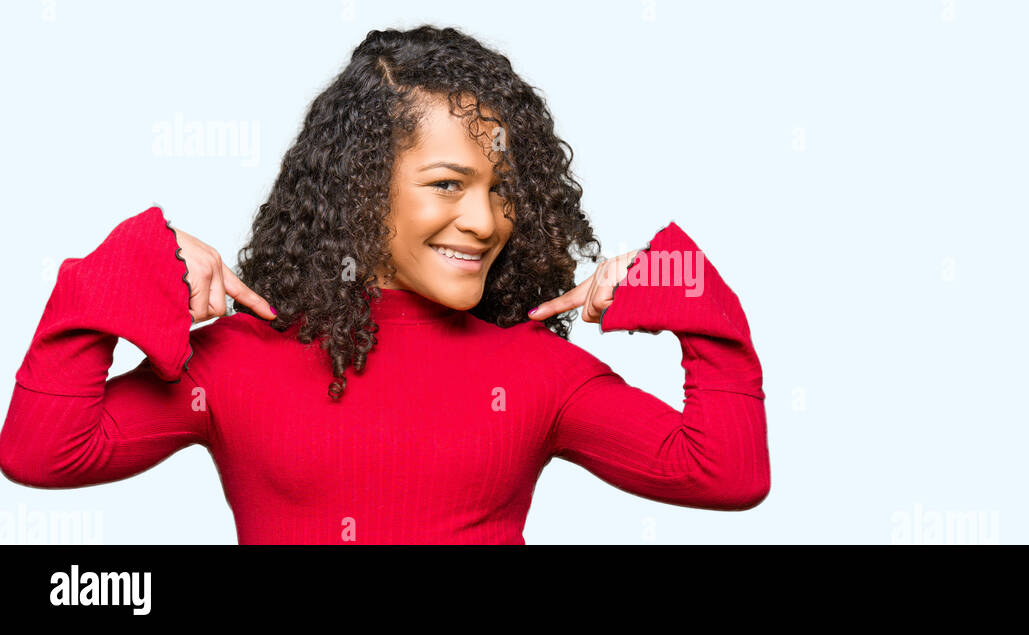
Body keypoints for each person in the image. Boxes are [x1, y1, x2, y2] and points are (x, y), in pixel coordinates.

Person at [0, 25, 769, 544]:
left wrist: (685, 294)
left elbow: (726, 471)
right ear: (362, 187)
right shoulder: (233, 361)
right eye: (447, 183)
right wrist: (128, 270)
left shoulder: (539, 371)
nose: (484, 221)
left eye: (504, 190)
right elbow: (41, 454)